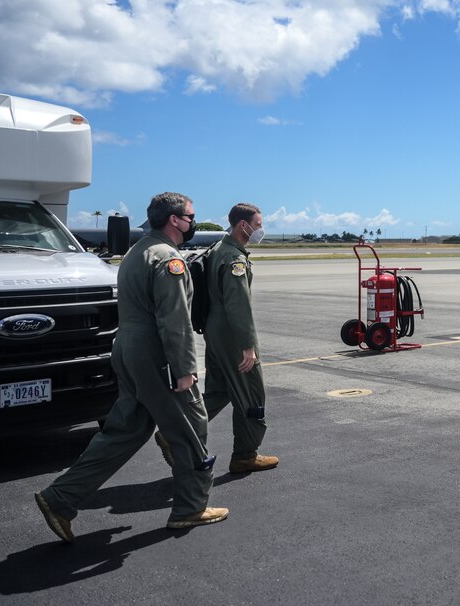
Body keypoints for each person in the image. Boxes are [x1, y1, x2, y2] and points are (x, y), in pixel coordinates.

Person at [35, 193, 227, 542]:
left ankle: (60, 498)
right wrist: (184, 368)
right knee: (190, 424)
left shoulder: (138, 252)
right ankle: (191, 507)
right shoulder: (169, 260)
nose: (193, 222)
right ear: (174, 220)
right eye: (190, 216)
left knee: (125, 430)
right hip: (156, 353)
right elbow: (175, 321)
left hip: (127, 348)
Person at [203, 203, 278, 473]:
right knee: (252, 395)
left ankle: (175, 432)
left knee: (219, 390)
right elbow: (238, 306)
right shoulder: (234, 258)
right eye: (257, 224)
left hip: (215, 333)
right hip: (233, 336)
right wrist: (248, 347)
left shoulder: (218, 249)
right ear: (242, 225)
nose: (260, 229)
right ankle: (246, 454)